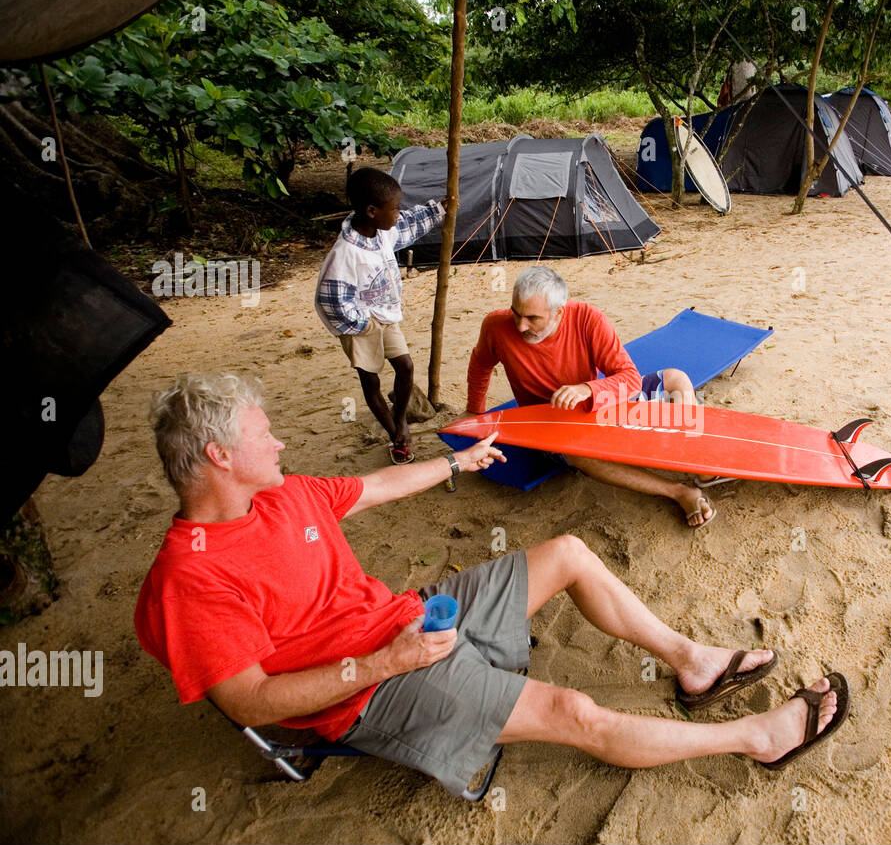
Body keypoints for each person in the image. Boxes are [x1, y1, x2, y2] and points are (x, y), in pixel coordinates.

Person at [134, 373, 849, 800]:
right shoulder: (191, 576)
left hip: (412, 620)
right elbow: (252, 700)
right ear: (221, 457)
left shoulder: (282, 496)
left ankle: (693, 664)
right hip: (368, 686)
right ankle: (757, 737)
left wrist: (457, 464)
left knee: (568, 551)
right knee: (573, 711)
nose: (280, 445)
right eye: (265, 435)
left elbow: (375, 485)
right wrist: (387, 663)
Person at [462, 266, 725, 528]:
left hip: (598, 405)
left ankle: (698, 464)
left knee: (676, 378)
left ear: (559, 312)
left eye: (532, 318)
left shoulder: (588, 318)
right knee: (578, 455)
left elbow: (630, 378)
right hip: (552, 426)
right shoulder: (496, 326)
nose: (520, 326)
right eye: (516, 313)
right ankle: (679, 492)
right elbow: (480, 364)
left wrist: (588, 389)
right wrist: (474, 412)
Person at [315, 167, 444, 464]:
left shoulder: (380, 232)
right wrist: (361, 325)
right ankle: (394, 435)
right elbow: (329, 298)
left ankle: (399, 419)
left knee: (405, 366)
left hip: (385, 315)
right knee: (370, 379)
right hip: (361, 323)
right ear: (372, 211)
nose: (398, 213)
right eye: (394, 208)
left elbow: (408, 225)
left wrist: (439, 209)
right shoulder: (345, 253)